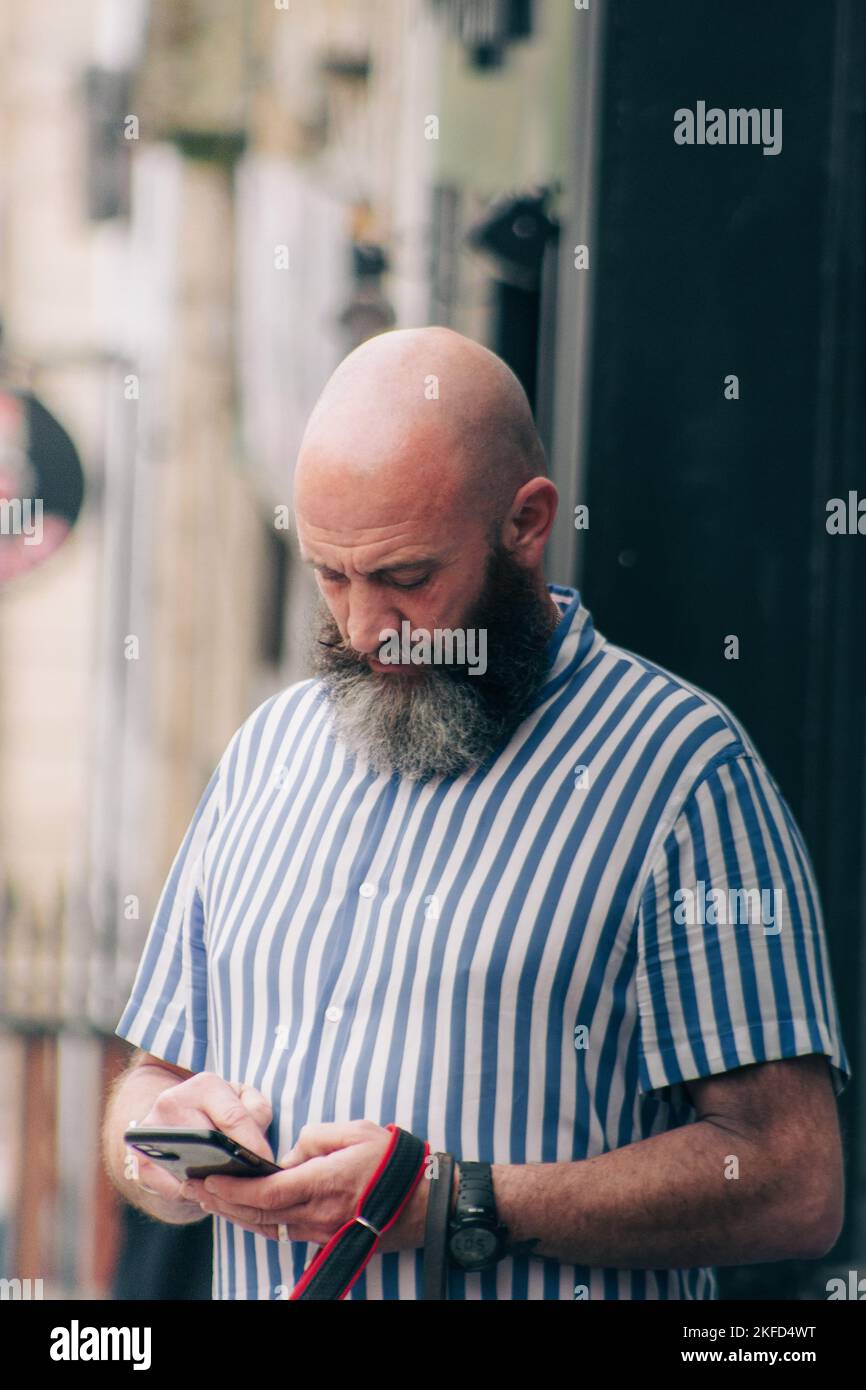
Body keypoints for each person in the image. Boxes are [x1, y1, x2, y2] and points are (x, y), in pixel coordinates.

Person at [103, 326, 850, 1300]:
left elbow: (793, 1184)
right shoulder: (266, 752)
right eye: (331, 576)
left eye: (407, 579)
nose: (366, 627)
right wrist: (170, 1150)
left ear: (526, 523)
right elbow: (142, 1088)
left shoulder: (683, 774)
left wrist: (460, 1202)